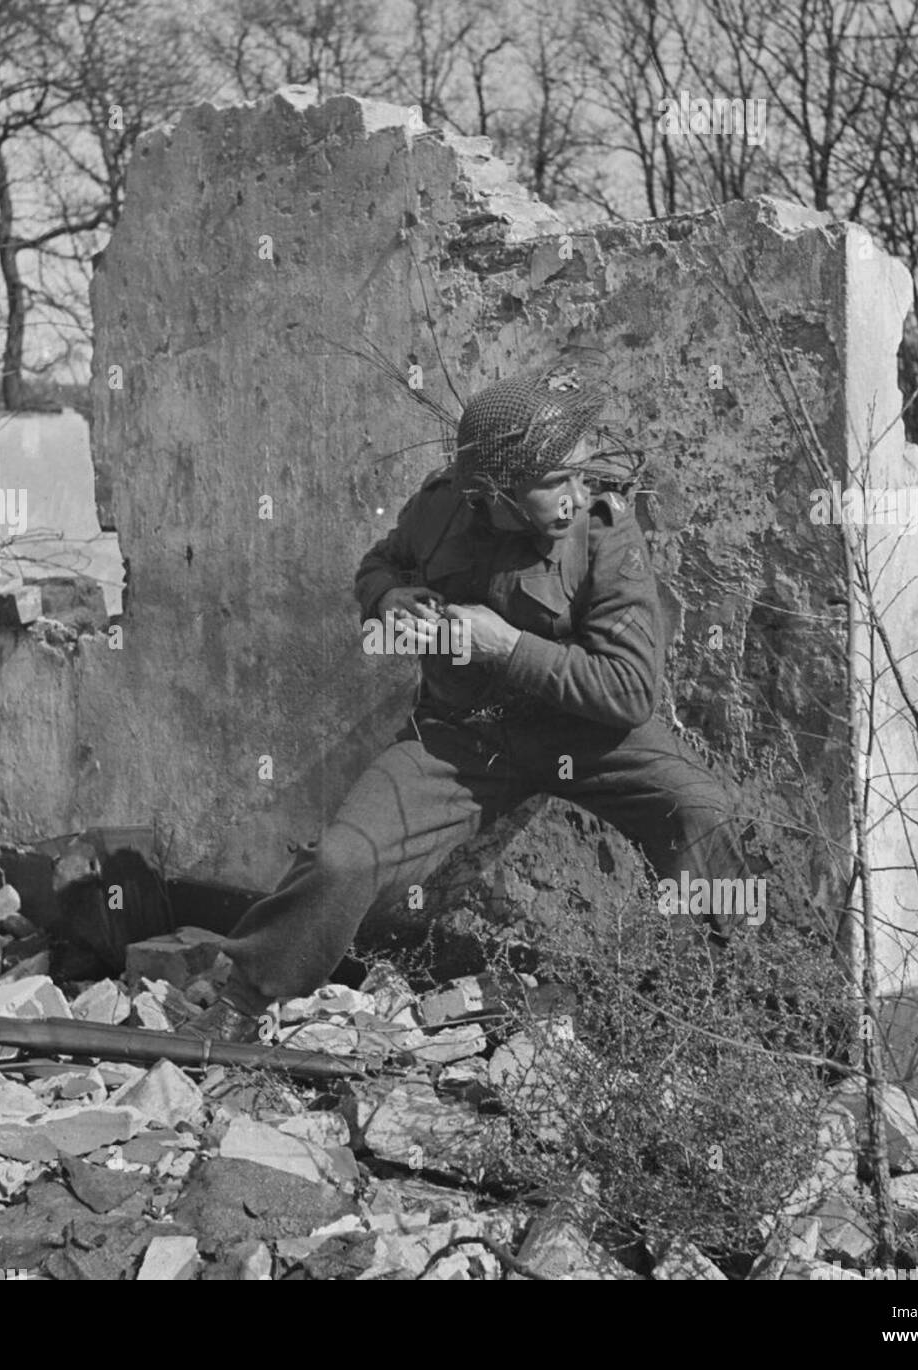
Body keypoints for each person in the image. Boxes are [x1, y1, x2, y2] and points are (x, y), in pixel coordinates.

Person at [191, 368, 751, 1042]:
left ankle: (707, 1012)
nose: (581, 494)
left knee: (701, 814)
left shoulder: (605, 536)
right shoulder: (439, 508)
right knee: (344, 857)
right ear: (496, 492)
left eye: (582, 474)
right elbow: (382, 562)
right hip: (461, 745)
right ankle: (246, 999)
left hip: (590, 739)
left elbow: (630, 691)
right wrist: (389, 598)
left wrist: (507, 644)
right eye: (558, 483)